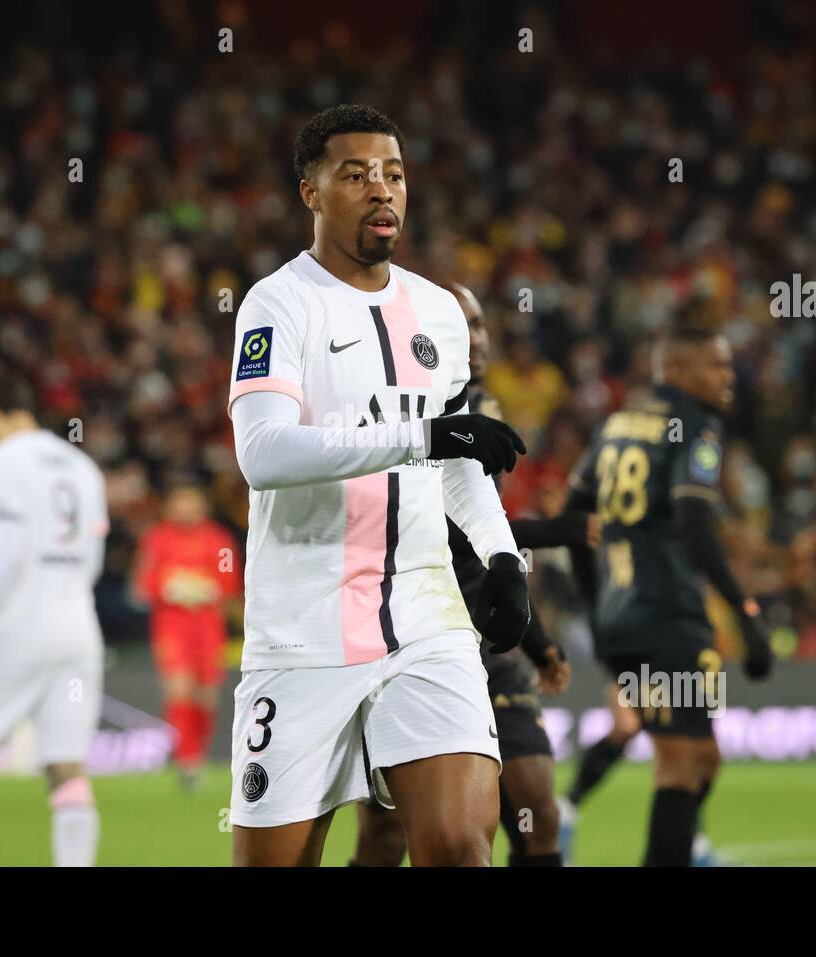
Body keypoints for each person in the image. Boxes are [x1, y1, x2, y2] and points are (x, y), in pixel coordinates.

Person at [227, 105, 530, 866]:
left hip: (427, 621)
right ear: (311, 191)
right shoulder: (277, 303)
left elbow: (458, 456)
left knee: (460, 847)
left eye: (393, 174)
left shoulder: (438, 311)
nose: (380, 189)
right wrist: (419, 434)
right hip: (305, 631)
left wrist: (501, 553)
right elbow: (262, 451)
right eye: (355, 174)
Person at [350, 282, 597, 867]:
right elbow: (446, 526)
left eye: (481, 325)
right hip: (408, 632)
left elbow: (486, 531)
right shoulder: (404, 406)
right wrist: (553, 535)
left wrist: (529, 636)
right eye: (463, 324)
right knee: (388, 836)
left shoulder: (482, 406)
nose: (476, 337)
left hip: (488, 638)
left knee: (538, 815)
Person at [564, 324, 774, 866]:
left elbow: (573, 512)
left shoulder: (618, 423)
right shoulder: (695, 425)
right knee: (680, 762)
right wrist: (744, 608)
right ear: (676, 370)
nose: (729, 378)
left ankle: (686, 849)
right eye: (716, 366)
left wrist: (596, 607)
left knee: (701, 757)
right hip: (667, 615)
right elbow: (694, 519)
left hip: (621, 618)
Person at [0, 375, 108, 867]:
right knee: (66, 767)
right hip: (78, 629)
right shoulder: (82, 466)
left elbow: (6, 555)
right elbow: (93, 558)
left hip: (16, 626)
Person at [132, 478, 241, 787]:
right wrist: (169, 587)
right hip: (172, 625)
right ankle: (186, 759)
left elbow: (229, 581)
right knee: (179, 689)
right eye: (180, 502)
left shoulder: (218, 539)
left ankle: (199, 754)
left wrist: (207, 588)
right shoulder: (157, 539)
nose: (186, 509)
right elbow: (144, 582)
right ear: (170, 507)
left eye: (191, 502)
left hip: (208, 626)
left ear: (202, 506)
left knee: (206, 697)